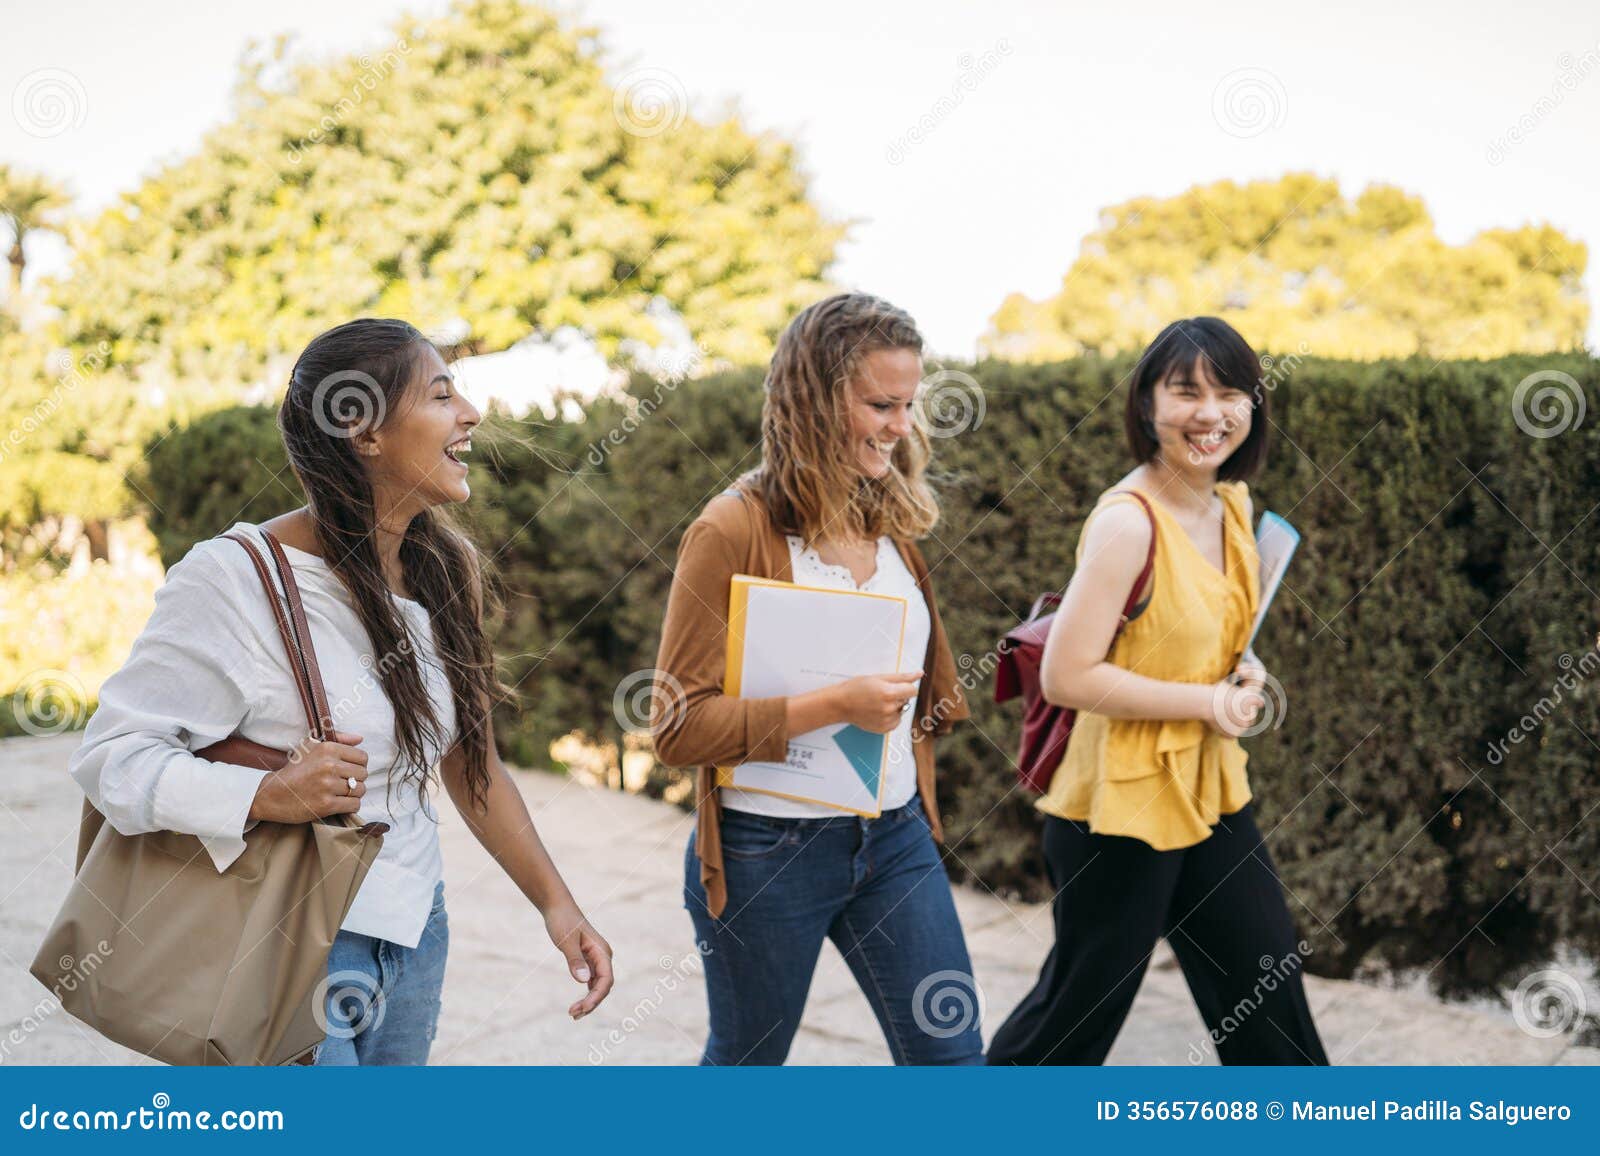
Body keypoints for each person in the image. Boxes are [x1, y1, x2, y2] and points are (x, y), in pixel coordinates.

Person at [70, 318, 613, 1065]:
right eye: (441, 394)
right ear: (364, 433)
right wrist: (266, 796)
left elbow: (470, 766)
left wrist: (558, 906)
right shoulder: (234, 578)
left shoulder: (438, 570)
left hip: (415, 932)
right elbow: (112, 758)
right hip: (285, 939)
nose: (471, 415)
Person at [986, 316, 1328, 1066]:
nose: (1211, 413)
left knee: (1269, 1004)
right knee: (1072, 1021)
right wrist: (1210, 705)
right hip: (1120, 806)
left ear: (1254, 404)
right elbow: (1067, 675)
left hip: (1209, 794)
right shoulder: (1126, 524)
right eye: (1187, 391)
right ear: (1148, 405)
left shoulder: (1230, 506)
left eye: (1230, 391)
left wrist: (1243, 675)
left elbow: (1205, 637)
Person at [652, 292, 983, 1065]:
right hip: (767, 849)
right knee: (748, 1064)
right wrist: (832, 705)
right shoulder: (731, 527)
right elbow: (674, 725)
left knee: (954, 1060)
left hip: (895, 836)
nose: (902, 426)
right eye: (880, 404)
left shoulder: (890, 516)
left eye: (909, 404)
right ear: (812, 400)